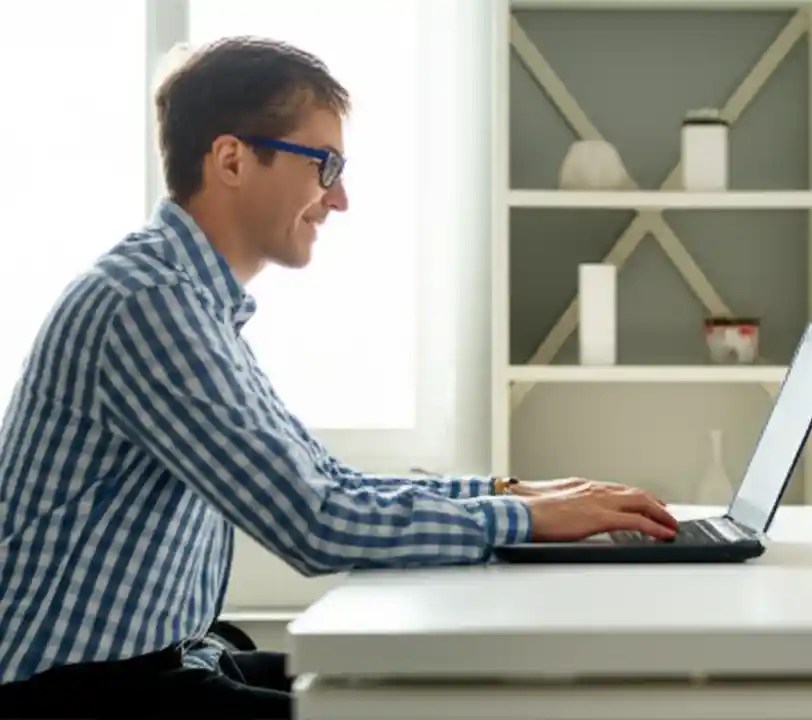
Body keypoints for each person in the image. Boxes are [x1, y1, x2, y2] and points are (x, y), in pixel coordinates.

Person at [0, 36, 678, 719]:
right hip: (68, 691)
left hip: (160, 659)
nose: (341, 198)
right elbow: (315, 522)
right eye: (325, 166)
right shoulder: (148, 306)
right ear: (232, 159)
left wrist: (513, 494)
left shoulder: (190, 301)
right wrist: (525, 518)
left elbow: (328, 481)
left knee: (419, 687)